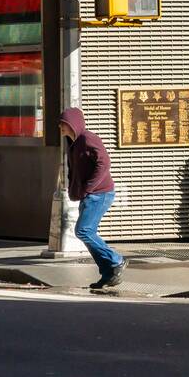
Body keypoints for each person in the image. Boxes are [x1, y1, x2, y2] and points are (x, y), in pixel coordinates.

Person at [59, 108, 127, 290]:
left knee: (84, 231)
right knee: (86, 233)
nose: (60, 126)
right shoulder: (72, 142)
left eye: (63, 123)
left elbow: (104, 162)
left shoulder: (88, 138)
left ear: (73, 123)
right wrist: (77, 190)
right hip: (90, 194)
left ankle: (116, 260)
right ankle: (109, 273)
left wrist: (89, 187)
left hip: (101, 193)